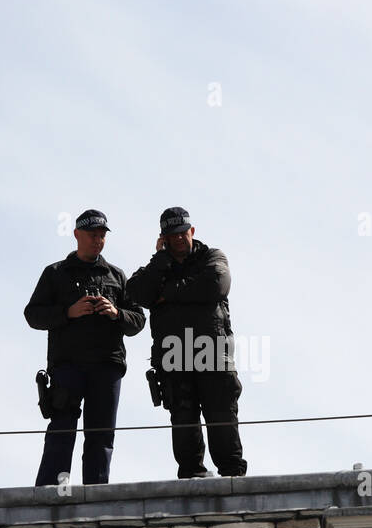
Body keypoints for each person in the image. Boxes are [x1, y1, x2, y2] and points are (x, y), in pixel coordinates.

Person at [24, 209, 145, 485]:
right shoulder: (55, 273)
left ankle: (97, 491)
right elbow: (32, 315)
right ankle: (51, 489)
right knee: (62, 428)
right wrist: (69, 312)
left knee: (101, 434)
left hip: (107, 366)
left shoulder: (117, 275)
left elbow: (138, 321)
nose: (98, 241)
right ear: (77, 235)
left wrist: (115, 313)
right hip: (68, 366)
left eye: (102, 236)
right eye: (92, 235)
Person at [127, 206, 247, 478]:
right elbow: (137, 293)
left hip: (212, 352)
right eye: (172, 235)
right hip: (173, 356)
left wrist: (168, 293)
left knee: (221, 415)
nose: (179, 238)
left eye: (183, 232)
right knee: (183, 420)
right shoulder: (155, 268)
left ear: (192, 231)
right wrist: (159, 260)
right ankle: (192, 478)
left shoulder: (212, 257)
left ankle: (232, 477)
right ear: (163, 238)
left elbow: (216, 285)